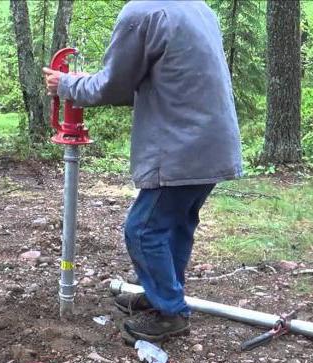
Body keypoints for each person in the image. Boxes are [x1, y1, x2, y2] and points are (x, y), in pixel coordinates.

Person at [43, 0, 242, 342]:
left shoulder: (142, 13)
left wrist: (66, 84)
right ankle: (161, 294)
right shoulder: (197, 8)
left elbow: (114, 86)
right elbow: (161, 79)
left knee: (143, 229)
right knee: (175, 225)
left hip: (181, 144)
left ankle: (170, 312)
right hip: (214, 142)